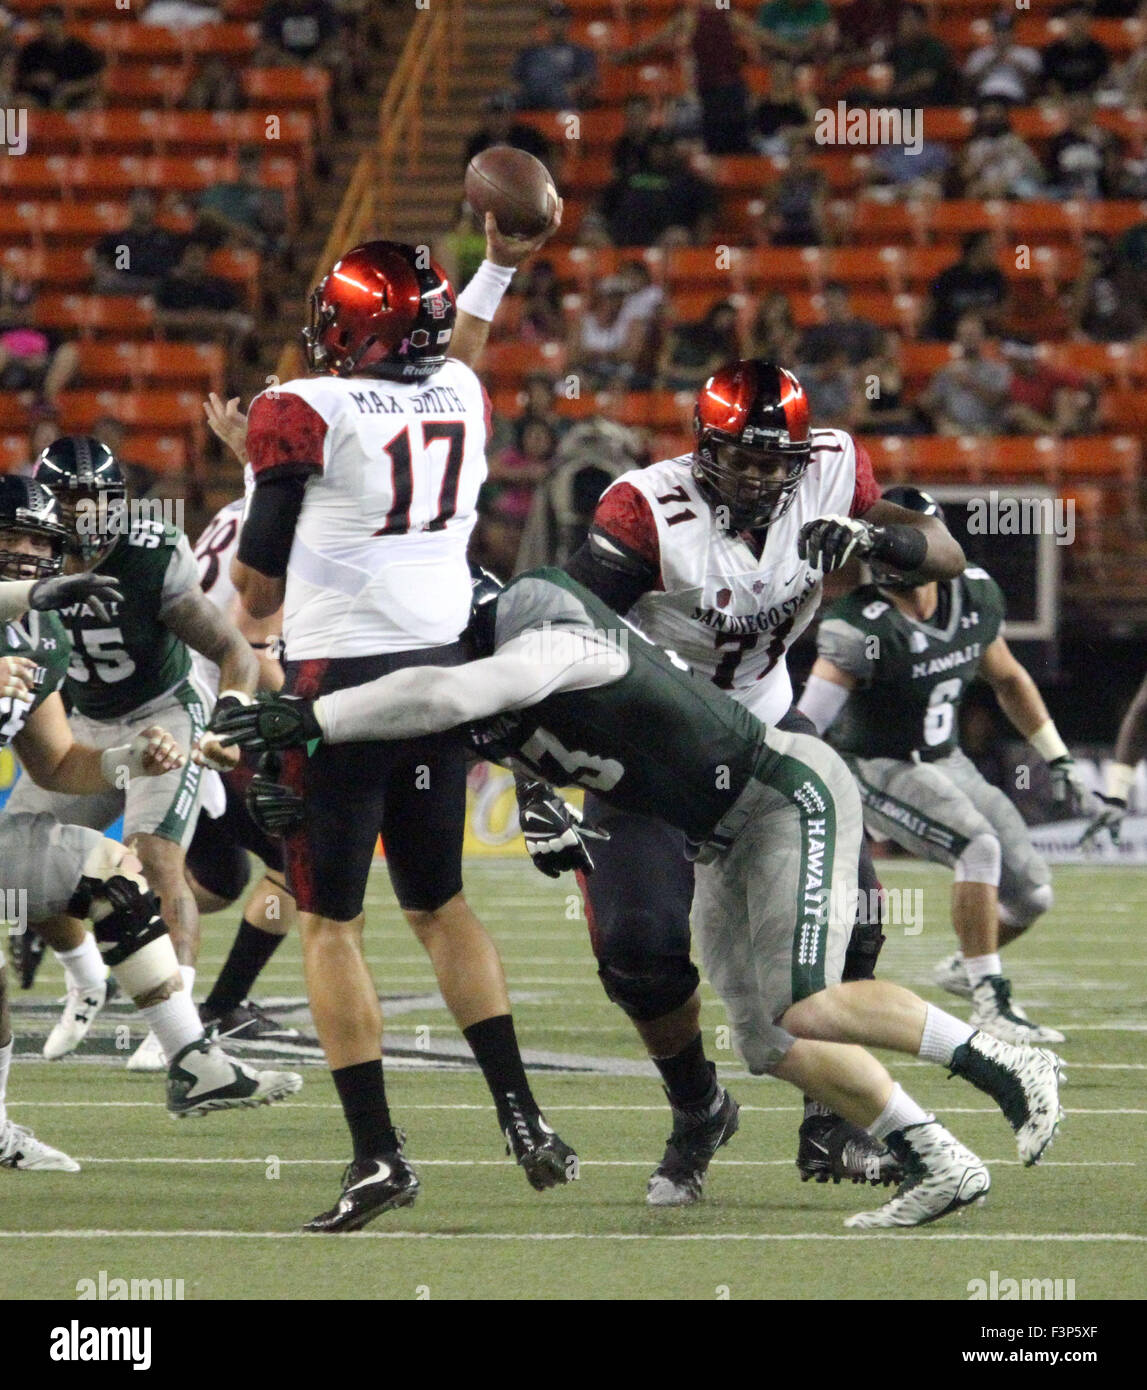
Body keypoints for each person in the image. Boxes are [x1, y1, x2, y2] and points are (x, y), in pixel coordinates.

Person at [212, 565, 1066, 1230]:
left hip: (784, 796)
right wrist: (293, 773)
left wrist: (316, 718)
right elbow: (430, 721)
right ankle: (934, 1158)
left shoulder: (560, 640)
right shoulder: (498, 668)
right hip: (719, 833)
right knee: (769, 1042)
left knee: (808, 1000)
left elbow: (447, 695)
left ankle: (1004, 1062)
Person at [221, 217, 579, 1233]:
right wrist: (500, 264)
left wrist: (258, 479)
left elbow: (254, 591)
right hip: (445, 681)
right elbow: (451, 358)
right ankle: (522, 1116)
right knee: (442, 903)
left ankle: (378, 1154)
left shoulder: (299, 406)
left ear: (346, 326)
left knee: (334, 921)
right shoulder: (463, 389)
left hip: (340, 690)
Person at [558, 359, 965, 1200]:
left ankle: (832, 1124)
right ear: (701, 448)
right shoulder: (643, 511)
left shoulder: (832, 471)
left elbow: (945, 554)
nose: (754, 475)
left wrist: (872, 538)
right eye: (736, 457)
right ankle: (696, 1106)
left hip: (766, 723)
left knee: (853, 915)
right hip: (649, 738)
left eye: (770, 461)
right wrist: (539, 772)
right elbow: (557, 632)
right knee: (638, 947)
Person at [0, 477, 302, 1117]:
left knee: (118, 877)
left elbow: (55, 764)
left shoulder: (40, 635)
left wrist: (126, 761)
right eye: (11, 538)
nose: (27, 552)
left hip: (154, 714)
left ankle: (190, 1061)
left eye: (37, 539)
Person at [798, 486, 1089, 1037]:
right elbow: (809, 720)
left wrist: (1058, 757)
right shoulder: (861, 623)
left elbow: (1007, 678)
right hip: (876, 767)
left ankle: (968, 961)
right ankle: (991, 1002)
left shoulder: (973, 595)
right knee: (977, 847)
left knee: (1031, 894)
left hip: (946, 759)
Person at [93, 191, 187, 297]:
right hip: (125, 285)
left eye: (145, 202)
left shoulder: (169, 238)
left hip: (160, 285)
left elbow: (181, 265)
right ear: (130, 206)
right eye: (137, 202)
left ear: (154, 206)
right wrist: (105, 272)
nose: (141, 206)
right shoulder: (116, 238)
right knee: (106, 283)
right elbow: (100, 260)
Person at [13, 5, 103, 110]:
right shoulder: (31, 49)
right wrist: (35, 79)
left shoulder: (80, 49)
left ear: (62, 23)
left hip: (75, 98)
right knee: (20, 102)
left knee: (94, 103)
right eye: (45, 21)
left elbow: (95, 79)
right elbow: (19, 77)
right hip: (38, 98)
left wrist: (73, 88)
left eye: (52, 21)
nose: (48, 26)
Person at [512, 1, 597, 111]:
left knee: (562, 97)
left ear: (569, 23)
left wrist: (575, 88)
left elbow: (588, 78)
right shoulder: (529, 53)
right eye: (553, 20)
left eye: (562, 21)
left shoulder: (581, 53)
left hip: (563, 99)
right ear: (546, 23)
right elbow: (514, 80)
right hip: (532, 98)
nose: (557, 25)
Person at [924, 232, 1009, 341]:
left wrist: (979, 315)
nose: (994, 253)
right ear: (975, 250)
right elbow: (931, 304)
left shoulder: (996, 277)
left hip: (986, 338)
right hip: (947, 336)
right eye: (990, 248)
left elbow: (1003, 309)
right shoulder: (948, 276)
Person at [959, 100, 1045, 201]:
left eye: (996, 112)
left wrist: (1020, 151)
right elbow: (965, 175)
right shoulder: (975, 144)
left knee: (1039, 197)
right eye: (988, 112)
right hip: (986, 185)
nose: (992, 116)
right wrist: (986, 160)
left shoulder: (1015, 141)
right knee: (973, 191)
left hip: (1016, 186)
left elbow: (1039, 174)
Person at [658, 301, 743, 392]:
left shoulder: (724, 344)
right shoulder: (683, 331)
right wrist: (672, 372)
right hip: (672, 380)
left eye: (729, 319)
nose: (725, 322)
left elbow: (711, 370)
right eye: (724, 317)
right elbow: (663, 362)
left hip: (699, 384)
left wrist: (683, 374)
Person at [463, 91, 554, 175]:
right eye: (492, 115)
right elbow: (471, 175)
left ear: (511, 116)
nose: (497, 121)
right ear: (483, 118)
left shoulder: (530, 138)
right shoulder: (476, 144)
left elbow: (545, 168)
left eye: (502, 115)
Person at [798, 282, 882, 371]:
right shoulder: (816, 334)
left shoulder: (864, 330)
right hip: (825, 379)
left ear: (845, 301)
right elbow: (808, 364)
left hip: (857, 377)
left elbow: (876, 359)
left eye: (836, 301)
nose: (832, 307)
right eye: (829, 303)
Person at [886, 3, 958, 106]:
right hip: (900, 100)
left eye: (908, 21)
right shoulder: (897, 50)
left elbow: (925, 80)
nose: (903, 26)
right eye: (901, 21)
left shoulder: (935, 48)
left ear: (922, 24)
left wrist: (894, 93)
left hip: (930, 103)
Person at [963, 11, 1042, 105]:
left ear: (1014, 33)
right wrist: (992, 63)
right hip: (986, 97)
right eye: (998, 31)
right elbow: (968, 85)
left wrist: (1016, 64)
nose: (1001, 36)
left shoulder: (1028, 54)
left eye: (1006, 32)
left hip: (1015, 97)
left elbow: (1035, 86)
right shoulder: (979, 54)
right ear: (992, 33)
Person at [1040, 2, 1111, 97]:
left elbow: (1101, 80)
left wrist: (1086, 100)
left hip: (1090, 100)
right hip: (1060, 99)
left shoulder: (1098, 50)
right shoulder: (1053, 51)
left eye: (1082, 21)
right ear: (1066, 23)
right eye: (1074, 21)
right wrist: (1063, 100)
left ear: (1089, 24)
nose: (1078, 26)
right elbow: (1050, 82)